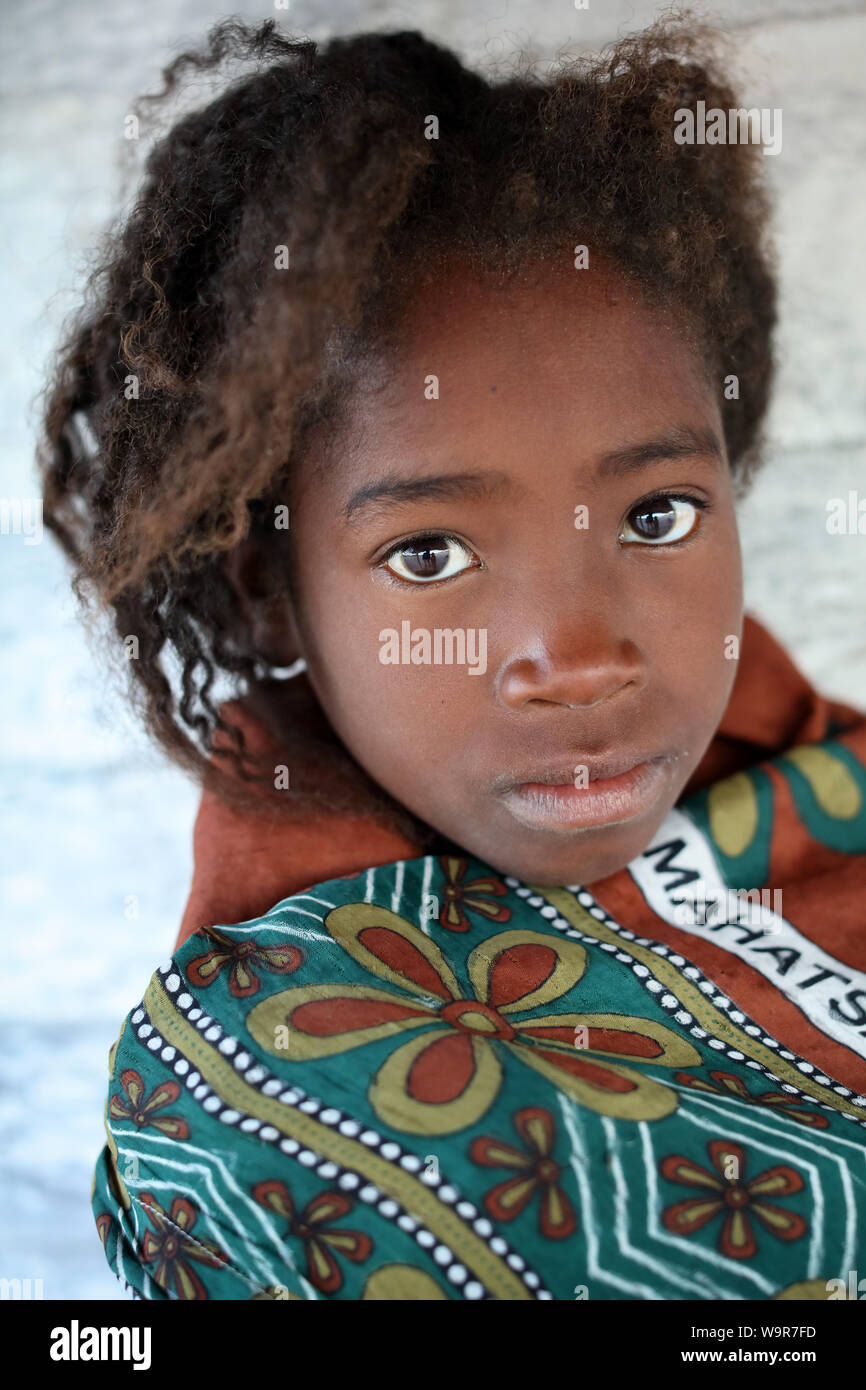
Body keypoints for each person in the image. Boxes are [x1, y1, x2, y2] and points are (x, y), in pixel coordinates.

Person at [39, 16, 866, 1300]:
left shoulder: (828, 788)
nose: (577, 660)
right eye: (429, 554)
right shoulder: (249, 1136)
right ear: (271, 595)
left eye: (654, 516)